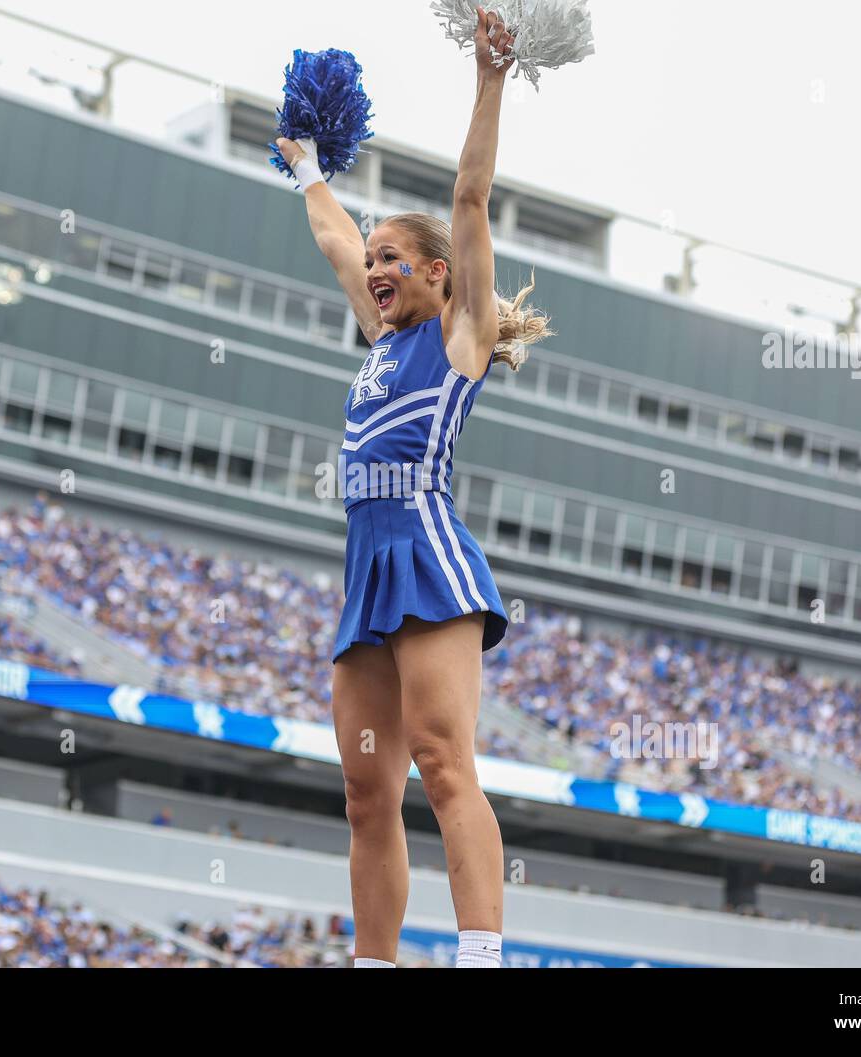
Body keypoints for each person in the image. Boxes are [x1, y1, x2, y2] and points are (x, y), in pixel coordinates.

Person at [275, 8, 551, 968]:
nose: (377, 267)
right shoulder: (382, 333)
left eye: (395, 258)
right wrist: (307, 163)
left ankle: (481, 955)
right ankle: (375, 961)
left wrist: (491, 77)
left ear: (440, 275)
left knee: (442, 764)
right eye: (376, 258)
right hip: (365, 562)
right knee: (365, 789)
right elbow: (329, 235)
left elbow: (469, 196)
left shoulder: (455, 336)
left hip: (426, 548)